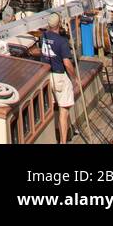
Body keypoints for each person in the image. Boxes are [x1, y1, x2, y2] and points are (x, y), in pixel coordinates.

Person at [30, 13, 79, 144]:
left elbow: (43, 52)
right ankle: (63, 141)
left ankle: (54, 136)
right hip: (59, 77)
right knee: (64, 111)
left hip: (47, 77)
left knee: (51, 108)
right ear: (59, 24)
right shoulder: (62, 41)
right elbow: (67, 63)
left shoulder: (43, 37)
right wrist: (74, 78)